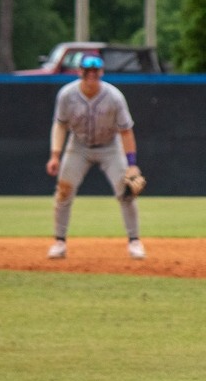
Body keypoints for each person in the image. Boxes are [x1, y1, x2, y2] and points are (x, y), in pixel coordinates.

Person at [45, 54, 145, 260]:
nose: (91, 75)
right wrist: (55, 155)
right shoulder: (67, 95)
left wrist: (132, 164)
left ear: (101, 73)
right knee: (64, 192)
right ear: (80, 72)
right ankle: (59, 242)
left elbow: (126, 131)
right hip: (79, 145)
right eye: (87, 71)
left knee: (126, 192)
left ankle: (134, 241)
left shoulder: (114, 97)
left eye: (95, 71)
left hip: (110, 146)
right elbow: (60, 125)